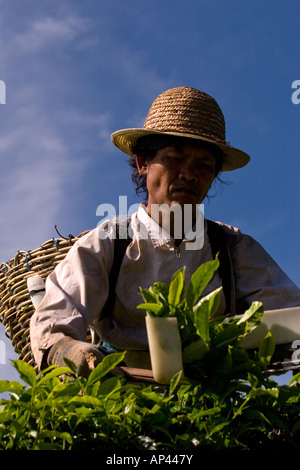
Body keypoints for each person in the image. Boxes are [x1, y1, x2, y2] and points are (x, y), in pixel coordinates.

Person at [30, 86, 300, 377]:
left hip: (208, 403)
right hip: (118, 397)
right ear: (143, 163)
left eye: (204, 165)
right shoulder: (109, 244)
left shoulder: (233, 248)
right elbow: (53, 322)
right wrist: (71, 352)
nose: (189, 173)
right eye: (174, 158)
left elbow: (290, 318)